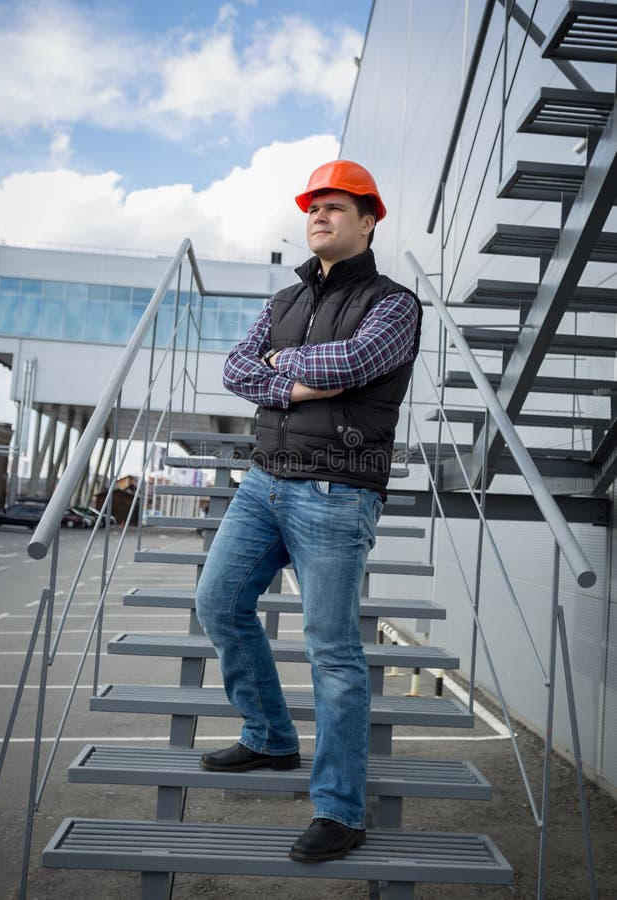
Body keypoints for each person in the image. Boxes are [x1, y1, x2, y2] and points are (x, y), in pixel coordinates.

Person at [195, 160, 422, 862]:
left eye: (335, 207)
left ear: (368, 220)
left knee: (331, 650)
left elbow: (353, 366)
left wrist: (280, 363)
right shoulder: (284, 298)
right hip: (263, 480)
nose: (318, 216)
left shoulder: (395, 303)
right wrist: (295, 383)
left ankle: (340, 810)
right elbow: (235, 369)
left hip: (337, 488)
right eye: (312, 208)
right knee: (218, 602)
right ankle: (269, 736)